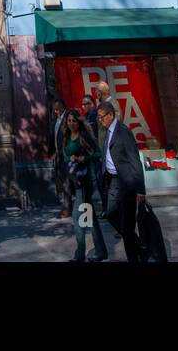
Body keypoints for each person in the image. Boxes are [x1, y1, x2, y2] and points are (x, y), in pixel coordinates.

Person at [95, 100, 144, 262]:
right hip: (113, 182)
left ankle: (134, 257)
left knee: (127, 227)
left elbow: (134, 160)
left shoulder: (123, 132)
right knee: (110, 214)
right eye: (99, 117)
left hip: (127, 182)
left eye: (102, 117)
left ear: (111, 115)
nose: (100, 120)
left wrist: (140, 189)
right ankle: (138, 246)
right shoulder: (107, 132)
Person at [62, 108, 109, 262]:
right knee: (90, 218)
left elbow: (98, 153)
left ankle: (80, 254)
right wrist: (70, 159)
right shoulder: (67, 137)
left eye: (74, 120)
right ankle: (101, 252)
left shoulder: (84, 135)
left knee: (77, 216)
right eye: (69, 121)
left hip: (86, 180)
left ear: (78, 121)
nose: (71, 123)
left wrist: (83, 158)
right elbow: (65, 157)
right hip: (76, 180)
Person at [50, 99, 71, 218]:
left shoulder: (68, 118)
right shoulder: (56, 120)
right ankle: (67, 206)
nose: (55, 111)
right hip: (59, 155)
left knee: (66, 182)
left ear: (62, 107)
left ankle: (67, 208)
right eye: (54, 109)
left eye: (57, 109)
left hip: (66, 155)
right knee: (63, 181)